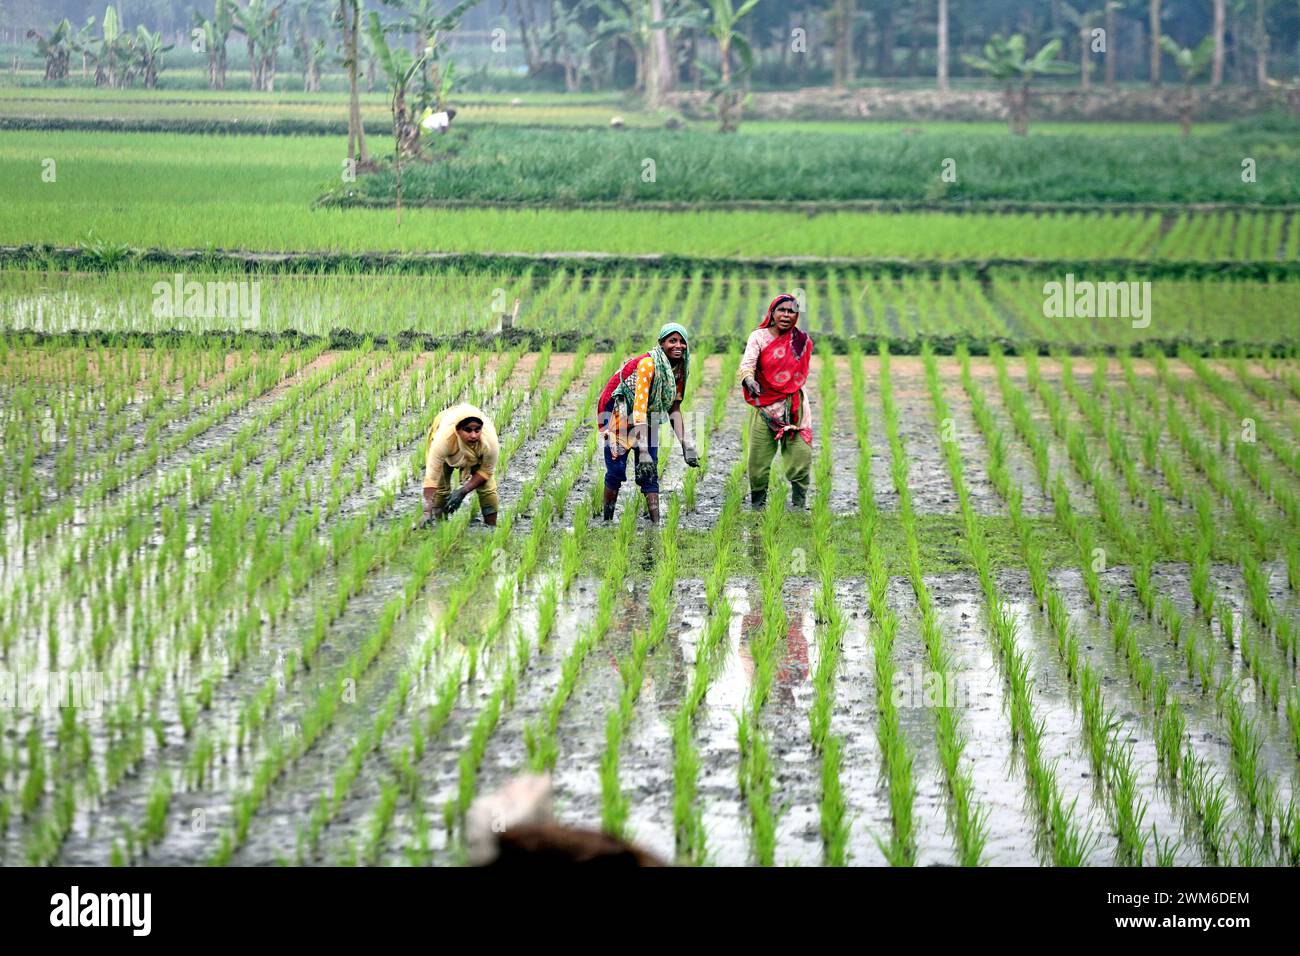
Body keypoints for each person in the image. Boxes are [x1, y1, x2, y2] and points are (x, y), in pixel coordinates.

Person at [596, 323, 699, 524]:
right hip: (621, 412)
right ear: (661, 344)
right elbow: (638, 409)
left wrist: (686, 445)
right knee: (616, 469)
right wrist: (641, 450)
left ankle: (656, 525)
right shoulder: (648, 365)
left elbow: (674, 409)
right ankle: (606, 521)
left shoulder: (679, 368)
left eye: (682, 341)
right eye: (672, 341)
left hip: (647, 415)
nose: (678, 346)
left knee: (649, 471)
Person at [740, 293, 814, 510]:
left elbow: (799, 373)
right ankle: (757, 506)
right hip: (765, 407)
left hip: (795, 407)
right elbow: (748, 363)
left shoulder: (801, 341)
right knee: (758, 462)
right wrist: (749, 380)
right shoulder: (759, 337)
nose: (786, 315)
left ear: (796, 316)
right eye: (781, 310)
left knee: (801, 457)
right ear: (772, 313)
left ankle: (799, 505)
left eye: (791, 311)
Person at [421, 403, 499, 527]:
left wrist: (463, 491)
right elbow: (431, 479)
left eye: (477, 430)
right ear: (457, 430)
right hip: (444, 434)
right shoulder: (442, 440)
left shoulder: (489, 441)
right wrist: (426, 512)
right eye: (468, 430)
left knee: (488, 488)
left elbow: (486, 471)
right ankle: (442, 527)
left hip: (476, 456)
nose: (473, 435)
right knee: (440, 488)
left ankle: (491, 528)